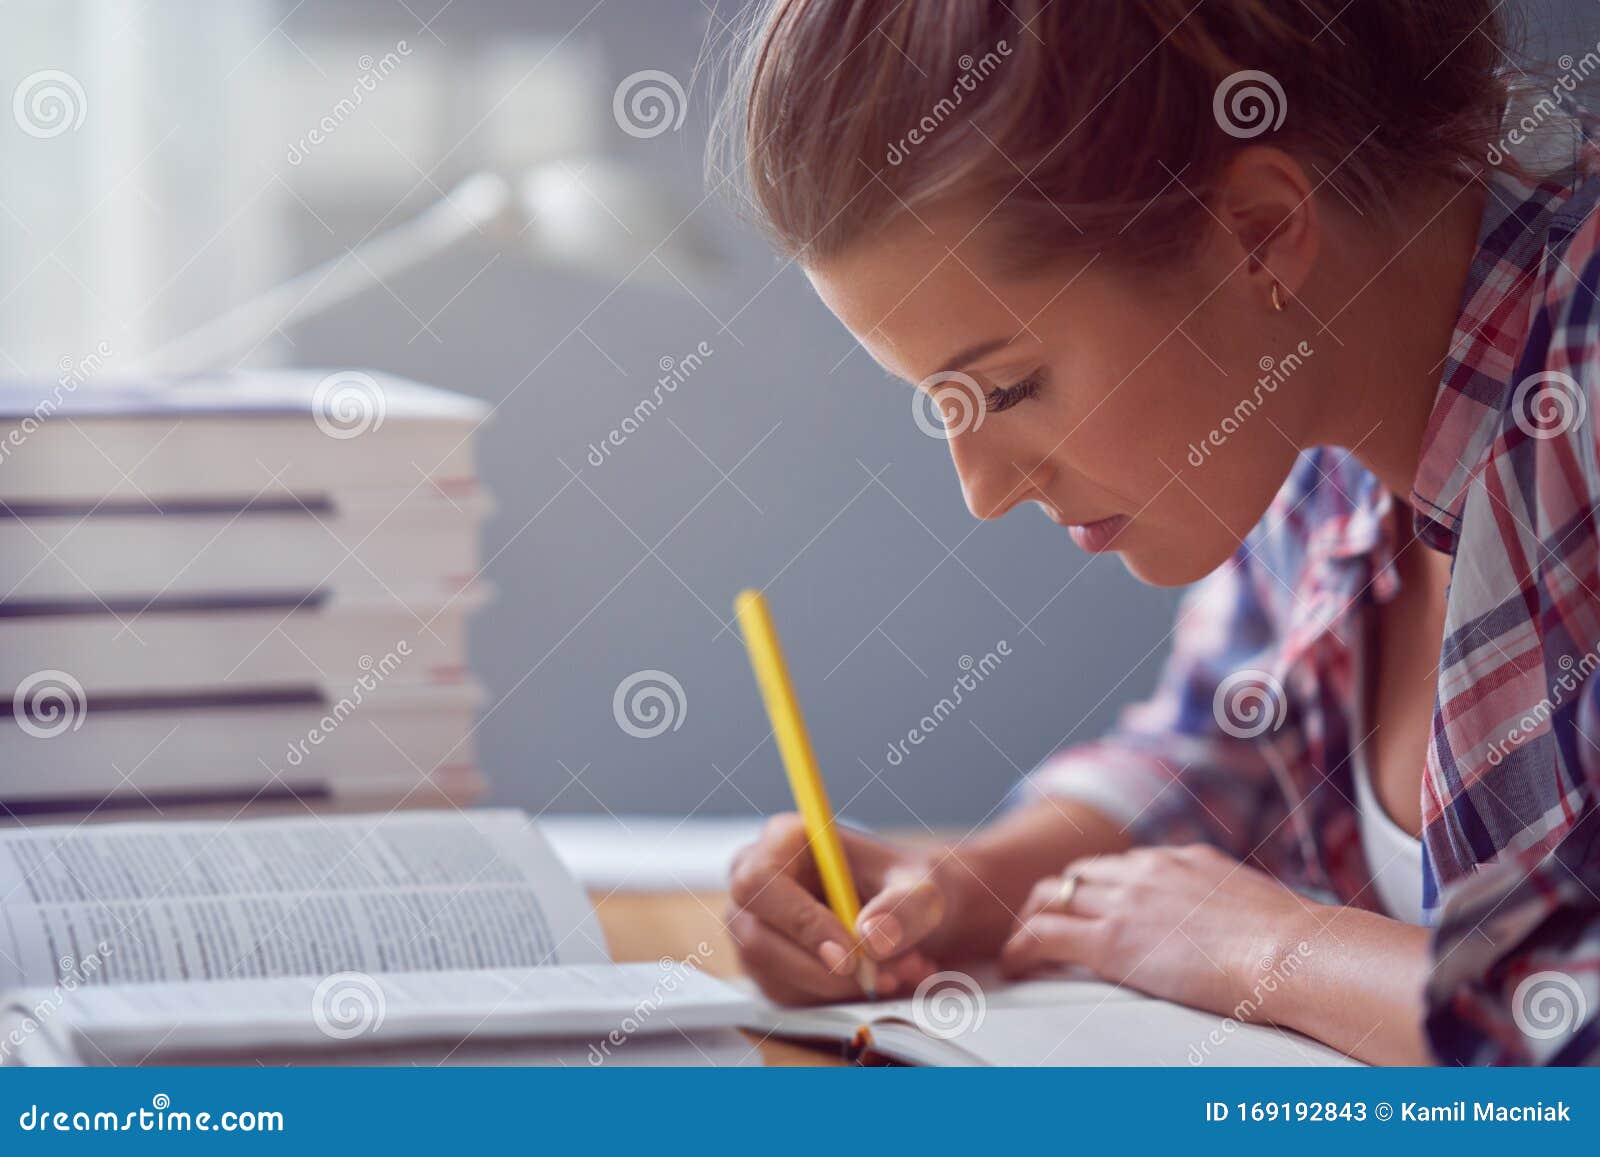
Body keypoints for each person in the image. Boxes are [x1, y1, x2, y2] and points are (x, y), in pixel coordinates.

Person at [714, 0, 1600, 1065]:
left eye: (1008, 386)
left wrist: (1276, 948)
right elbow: (1215, 758)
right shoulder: (1302, 423)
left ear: (1260, 234)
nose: (982, 493)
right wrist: (959, 889)